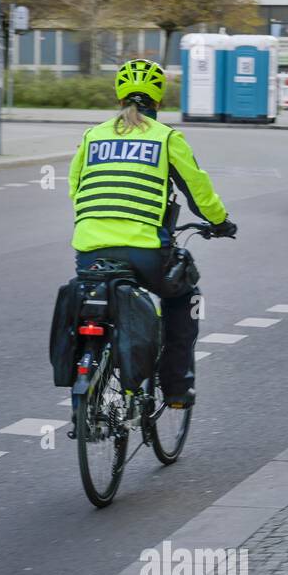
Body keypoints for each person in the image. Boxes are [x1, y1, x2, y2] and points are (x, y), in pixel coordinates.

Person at [67, 59, 237, 409]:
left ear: (118, 95)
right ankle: (176, 389)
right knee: (184, 296)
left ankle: (92, 370)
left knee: (92, 302)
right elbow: (198, 191)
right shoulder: (166, 138)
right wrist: (220, 222)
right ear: (159, 99)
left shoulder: (92, 136)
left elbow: (75, 188)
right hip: (144, 252)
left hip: (89, 251)